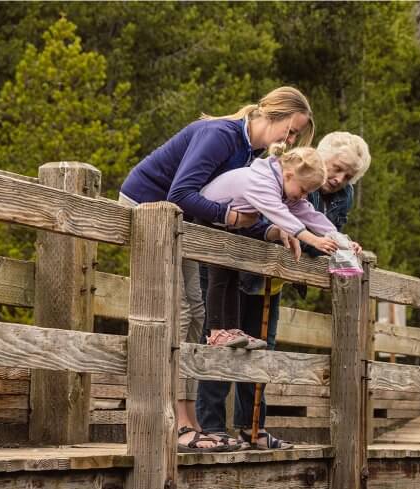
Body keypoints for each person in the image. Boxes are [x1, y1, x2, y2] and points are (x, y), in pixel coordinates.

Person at [119, 86, 314, 453]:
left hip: (183, 223)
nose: (288, 142)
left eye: (295, 137)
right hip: (150, 212)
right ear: (272, 114)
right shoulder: (221, 135)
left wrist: (272, 229)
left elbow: (222, 203)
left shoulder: (248, 152)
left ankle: (189, 420)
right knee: (177, 315)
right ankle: (174, 424)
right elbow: (181, 193)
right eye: (289, 131)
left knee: (195, 315)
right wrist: (230, 216)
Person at [200, 132, 371, 450]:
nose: (338, 179)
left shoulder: (342, 195)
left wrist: (340, 241)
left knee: (262, 346)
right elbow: (276, 217)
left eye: (348, 175)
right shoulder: (290, 175)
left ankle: (252, 427)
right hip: (239, 259)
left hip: (275, 275)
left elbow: (316, 220)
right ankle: (211, 425)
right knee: (223, 337)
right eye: (336, 168)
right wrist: (318, 243)